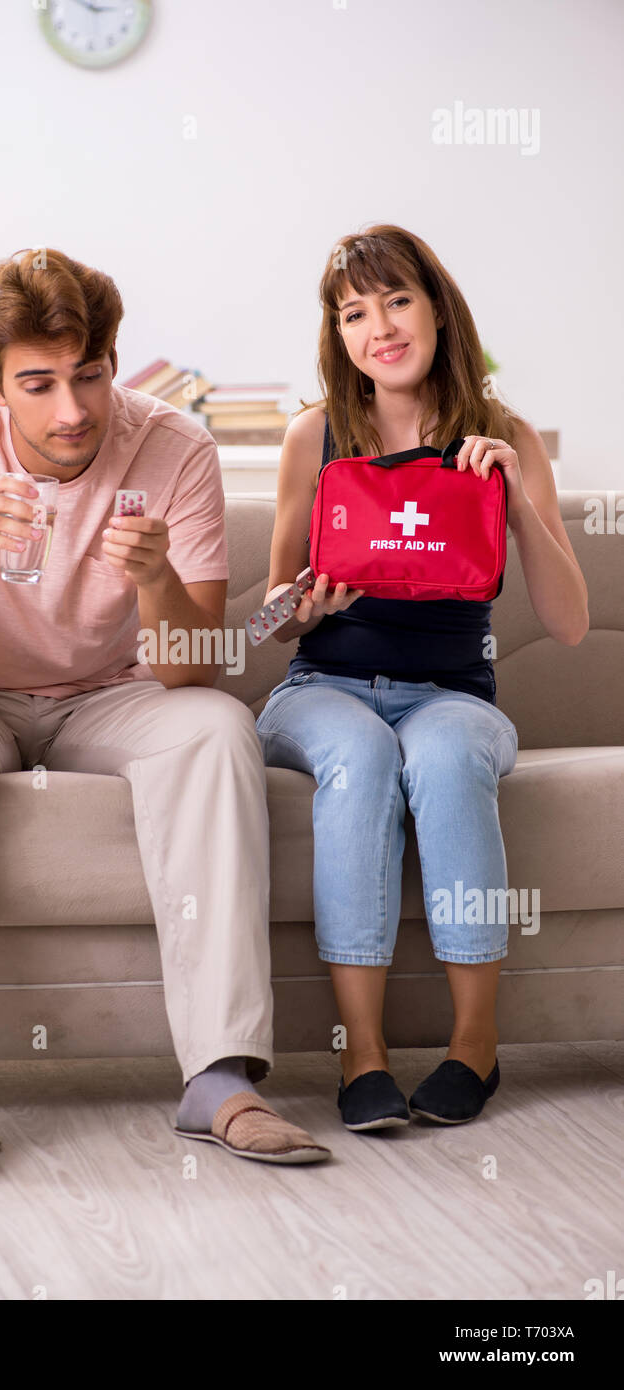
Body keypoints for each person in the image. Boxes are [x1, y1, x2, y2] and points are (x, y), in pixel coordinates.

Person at [0, 246, 331, 1181]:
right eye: (39, 383)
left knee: (217, 730)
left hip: (117, 692)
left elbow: (189, 673)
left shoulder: (174, 445)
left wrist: (153, 577)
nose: (72, 411)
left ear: (113, 361)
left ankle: (219, 1079)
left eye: (90, 377)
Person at [255, 225, 589, 1131]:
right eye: (353, 313)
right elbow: (268, 619)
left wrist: (514, 495)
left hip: (451, 697)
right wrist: (304, 607)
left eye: (396, 301)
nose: (380, 329)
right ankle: (361, 1055)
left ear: (437, 308)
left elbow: (567, 624)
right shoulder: (312, 436)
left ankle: (472, 1044)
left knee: (442, 760)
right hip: (322, 689)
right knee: (361, 755)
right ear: (338, 335)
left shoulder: (503, 435)